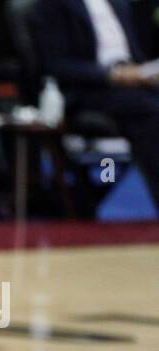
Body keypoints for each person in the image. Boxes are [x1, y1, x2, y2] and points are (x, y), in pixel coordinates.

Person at [29, 0, 159, 211]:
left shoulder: (119, 4)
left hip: (136, 83)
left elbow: (136, 55)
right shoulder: (51, 6)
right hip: (89, 89)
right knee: (151, 112)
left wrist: (145, 73)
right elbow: (55, 65)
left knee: (146, 105)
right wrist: (112, 75)